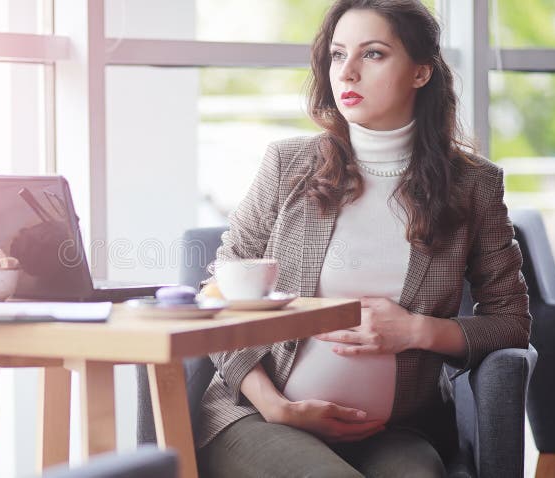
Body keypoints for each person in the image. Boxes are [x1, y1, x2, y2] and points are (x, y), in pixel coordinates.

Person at [196, 1, 532, 477]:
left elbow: (511, 321)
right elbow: (216, 294)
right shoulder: (286, 164)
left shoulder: (473, 185)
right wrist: (275, 405)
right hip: (261, 418)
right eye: (337, 55)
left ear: (421, 72)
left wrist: (417, 330)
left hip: (396, 430)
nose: (347, 73)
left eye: (372, 54)